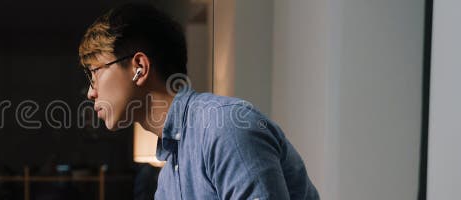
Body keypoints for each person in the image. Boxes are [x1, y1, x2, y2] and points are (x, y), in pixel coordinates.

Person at [77, 3, 320, 200]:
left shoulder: (224, 127)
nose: (90, 92)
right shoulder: (170, 174)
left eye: (94, 73)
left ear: (139, 68)